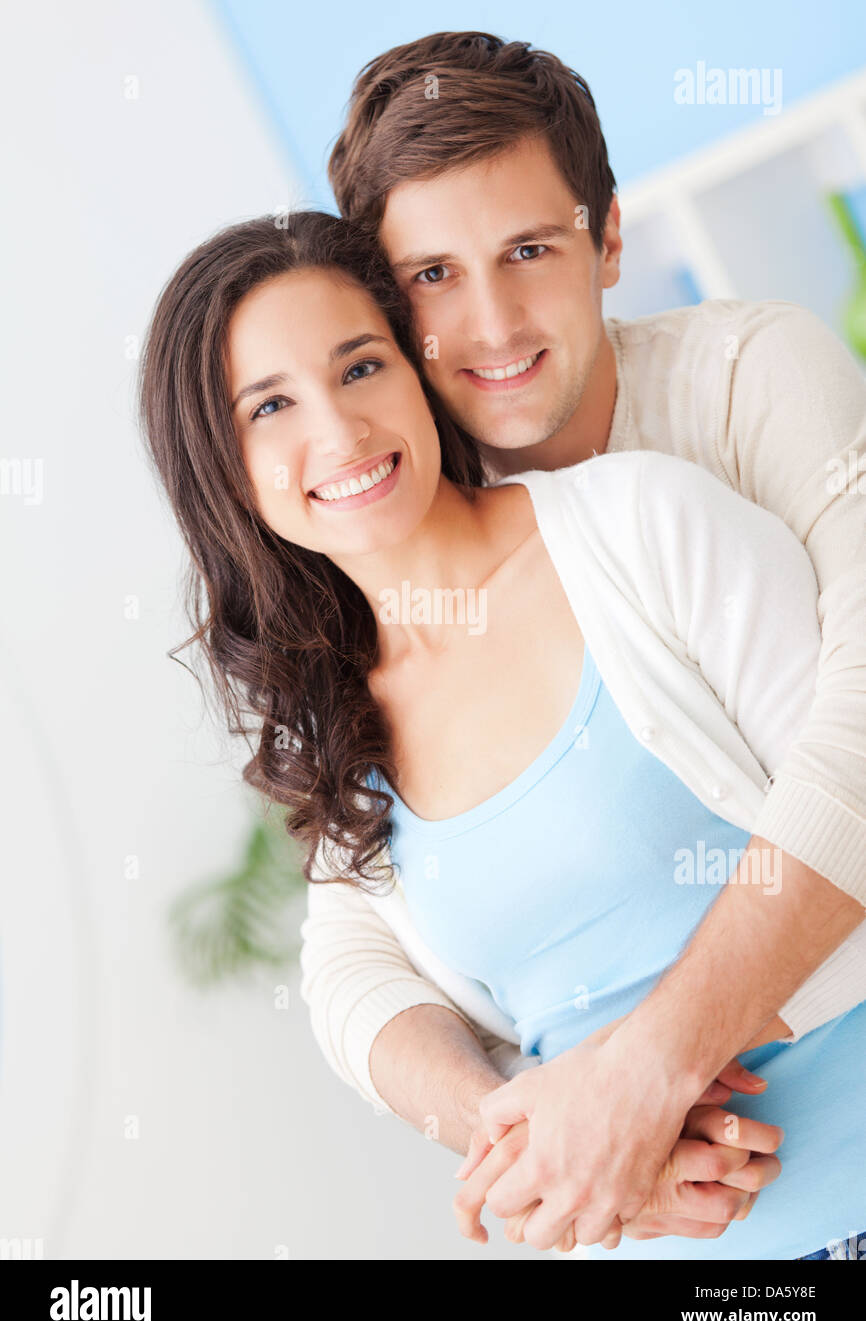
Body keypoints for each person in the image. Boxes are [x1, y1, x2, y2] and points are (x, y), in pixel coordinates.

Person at [138, 209, 866, 1260]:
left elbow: (849, 790)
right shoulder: (337, 722)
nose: (338, 434)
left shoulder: (638, 529)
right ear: (220, 470)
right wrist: (531, 1133)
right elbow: (351, 985)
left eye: (359, 368)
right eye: (271, 407)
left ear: (418, 368)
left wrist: (640, 1085)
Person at [300, 30, 866, 1254]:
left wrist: (645, 1078)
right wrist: (529, 1129)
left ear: (606, 240)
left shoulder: (745, 383)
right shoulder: (397, 542)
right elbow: (347, 953)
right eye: (432, 278)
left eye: (527, 251)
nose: (491, 322)